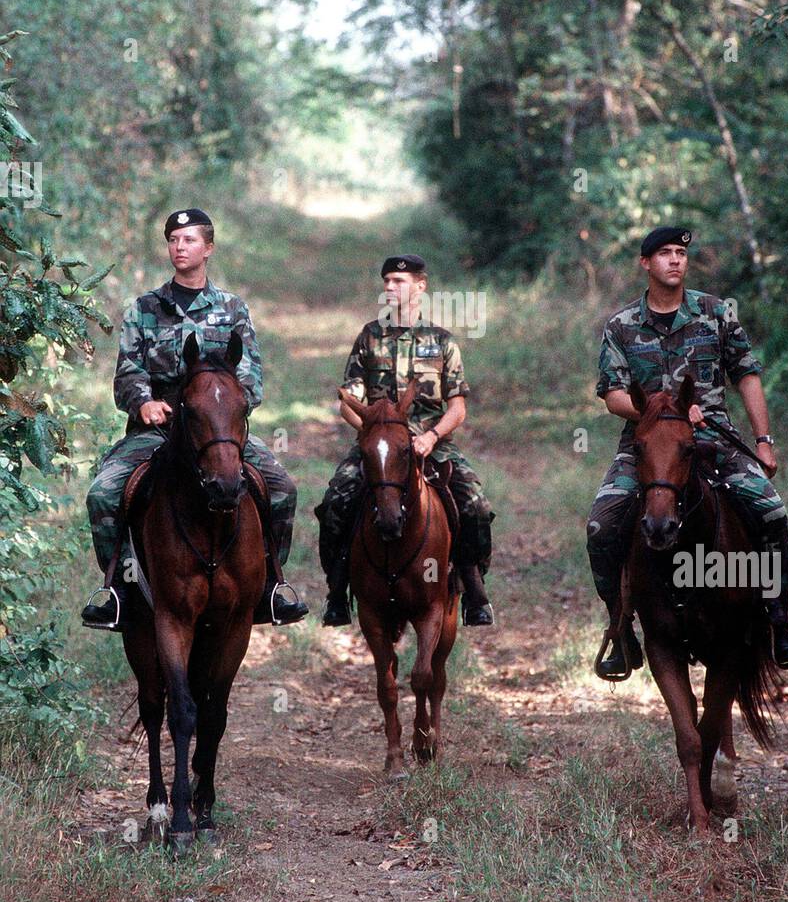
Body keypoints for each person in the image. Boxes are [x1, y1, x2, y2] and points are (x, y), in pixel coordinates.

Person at [587, 225, 788, 679]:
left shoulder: (715, 313)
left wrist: (763, 439)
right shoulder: (621, 326)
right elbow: (612, 395)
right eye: (664, 253)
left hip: (713, 440)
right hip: (644, 445)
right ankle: (621, 630)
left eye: (680, 254)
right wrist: (657, 417)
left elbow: (746, 373)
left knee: (771, 513)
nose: (675, 260)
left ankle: (777, 617)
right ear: (645, 263)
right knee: (602, 524)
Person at [82, 207, 307, 631]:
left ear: (208, 248)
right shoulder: (145, 308)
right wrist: (144, 403)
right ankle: (119, 589)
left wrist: (223, 411)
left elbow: (250, 377)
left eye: (188, 240)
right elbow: (128, 372)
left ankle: (270, 586)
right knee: (104, 494)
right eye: (173, 239)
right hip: (157, 429)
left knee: (282, 490)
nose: (179, 247)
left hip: (216, 430)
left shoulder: (232, 309)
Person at [316, 253, 495, 628]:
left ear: (420, 285)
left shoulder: (442, 342)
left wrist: (431, 436)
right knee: (337, 501)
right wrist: (368, 430)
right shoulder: (369, 337)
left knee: (475, 505)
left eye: (399, 281)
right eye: (386, 281)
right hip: (379, 442)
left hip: (432, 441)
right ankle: (337, 591)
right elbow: (349, 400)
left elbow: (457, 408)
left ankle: (473, 587)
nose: (390, 288)